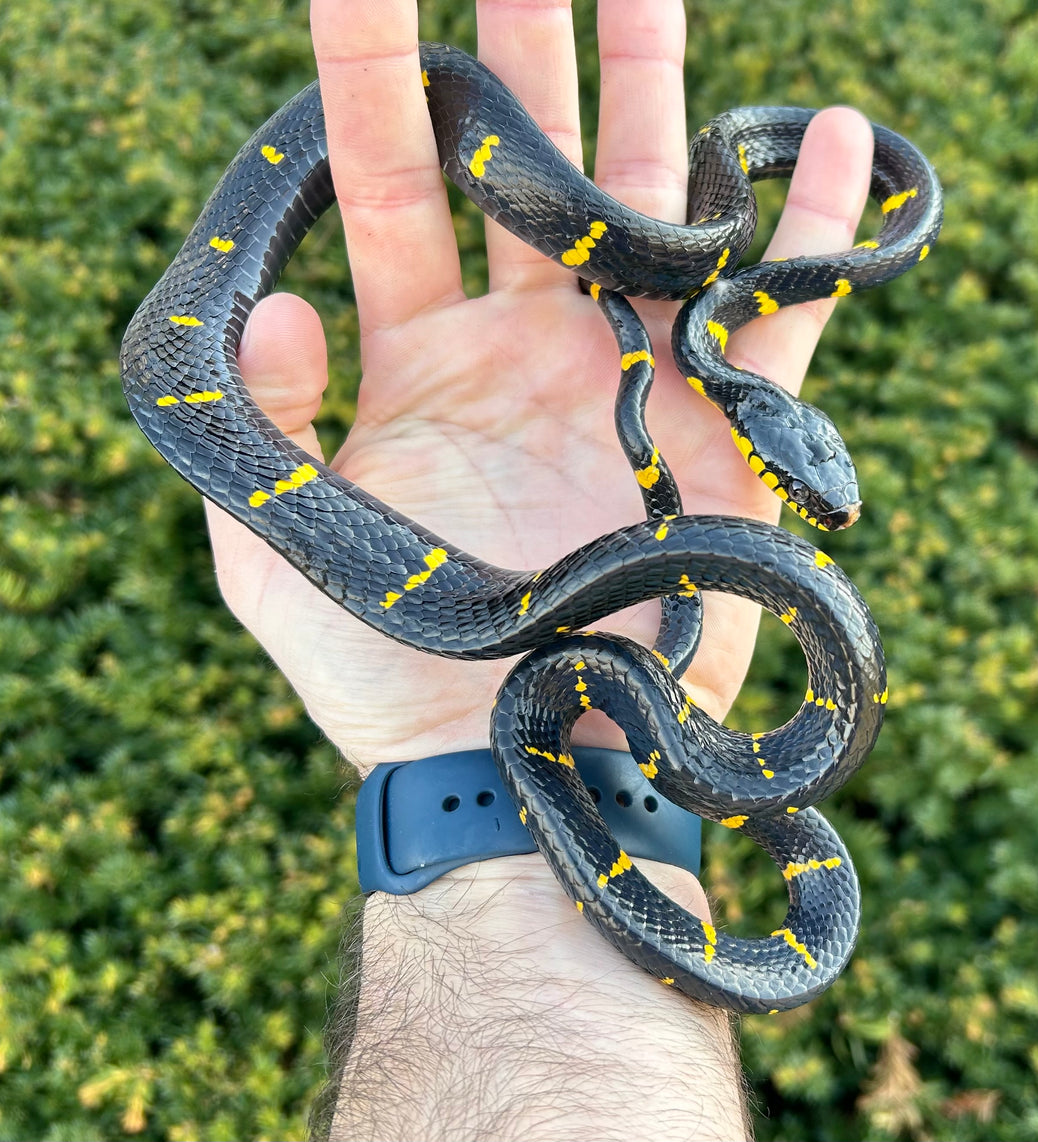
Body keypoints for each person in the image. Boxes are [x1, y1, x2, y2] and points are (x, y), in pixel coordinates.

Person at [203, 1, 873, 1137]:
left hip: (558, 709)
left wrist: (461, 749)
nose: (816, 513)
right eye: (802, 495)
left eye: (809, 500)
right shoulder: (697, 343)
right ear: (762, 442)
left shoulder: (705, 352)